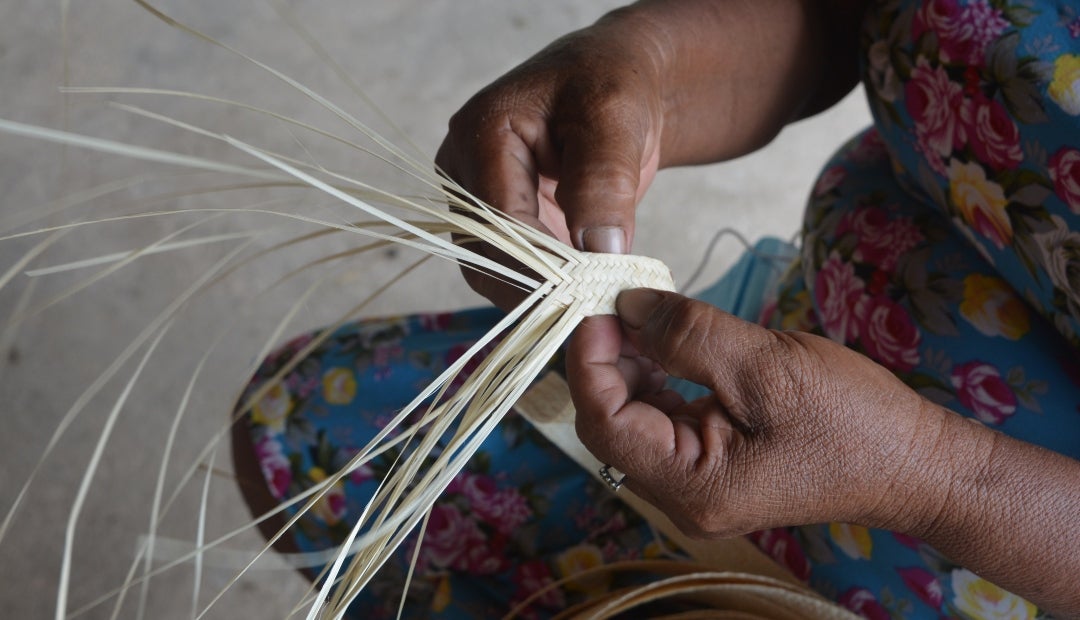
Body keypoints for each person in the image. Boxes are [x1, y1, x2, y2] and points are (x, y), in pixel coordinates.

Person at [234, 0, 1080, 617]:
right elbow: (845, 16)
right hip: (786, 351)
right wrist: (647, 66)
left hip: (957, 567)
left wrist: (932, 477)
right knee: (306, 434)